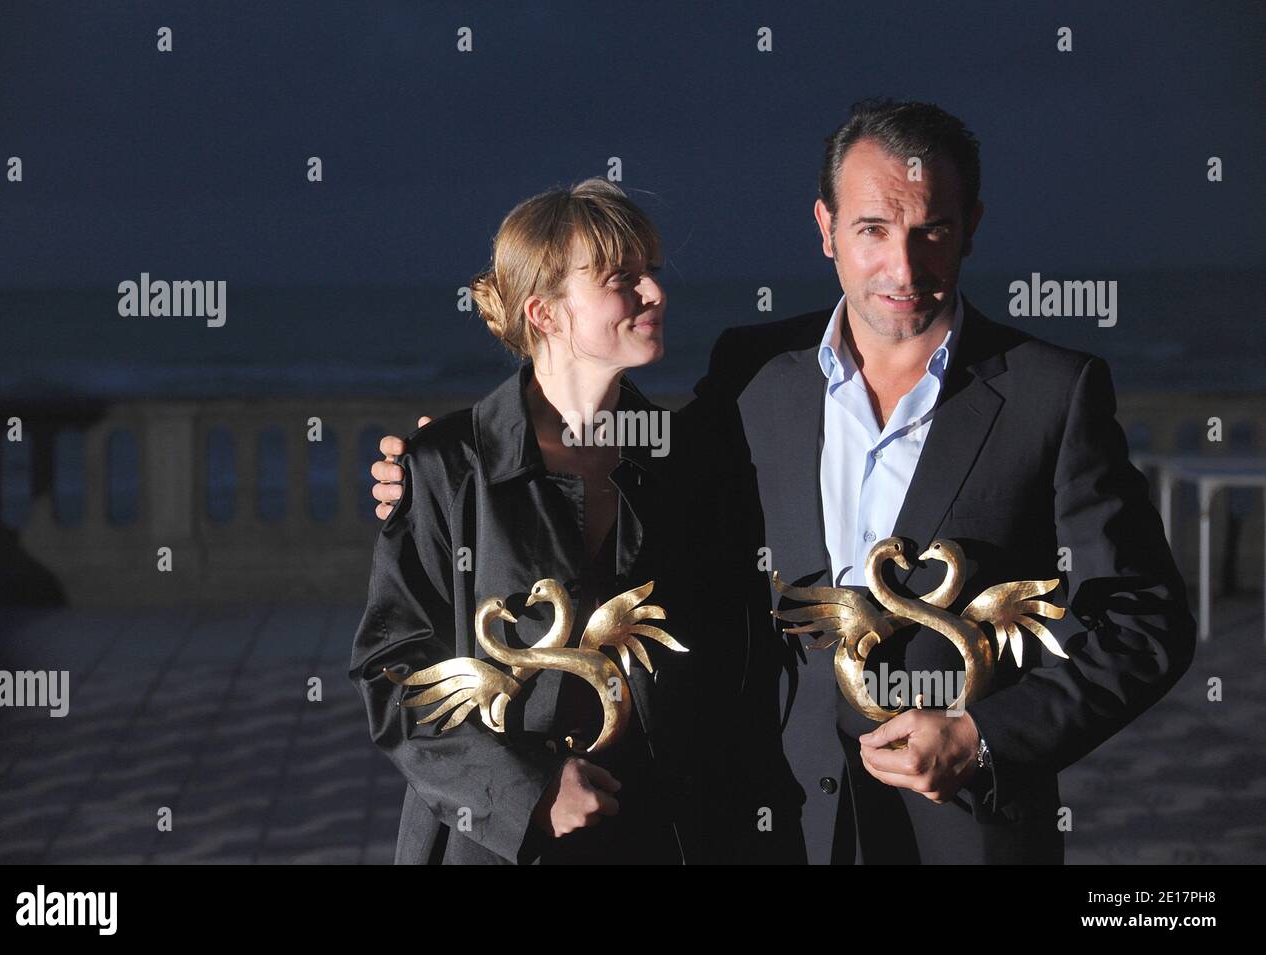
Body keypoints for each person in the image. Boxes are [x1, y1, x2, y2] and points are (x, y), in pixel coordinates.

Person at [372, 100, 1197, 865]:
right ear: (827, 229)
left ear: (970, 228)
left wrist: (986, 733)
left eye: (932, 229)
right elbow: (409, 645)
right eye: (873, 228)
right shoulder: (755, 377)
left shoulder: (1054, 392)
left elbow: (1144, 620)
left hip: (967, 826)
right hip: (770, 823)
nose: (902, 265)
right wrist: (436, 464)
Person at [349, 177, 789, 864]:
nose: (654, 293)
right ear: (545, 313)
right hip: (494, 841)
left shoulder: (684, 462)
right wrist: (529, 791)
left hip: (659, 833)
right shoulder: (447, 466)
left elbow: (731, 661)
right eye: (623, 278)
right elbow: (393, 671)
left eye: (652, 272)